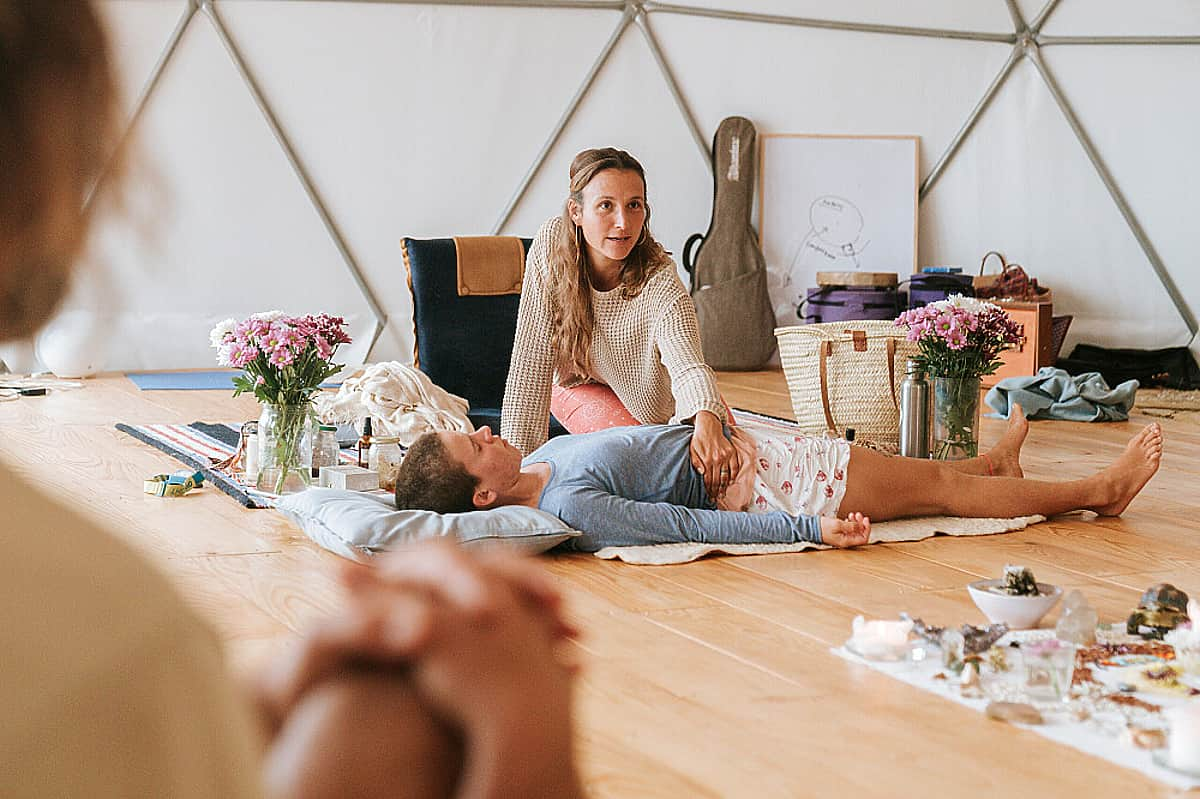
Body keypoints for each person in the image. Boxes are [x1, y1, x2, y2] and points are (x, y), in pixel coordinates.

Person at [0, 4, 582, 798]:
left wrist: (259, 697)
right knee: (381, 732)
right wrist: (527, 730)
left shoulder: (116, 649)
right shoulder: (109, 641)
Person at [394, 407, 1163, 552]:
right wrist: (804, 527)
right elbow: (689, 527)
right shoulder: (571, 504)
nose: (489, 431)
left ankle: (989, 466)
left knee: (933, 479)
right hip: (779, 489)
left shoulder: (546, 463)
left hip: (759, 448)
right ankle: (1097, 491)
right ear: (483, 494)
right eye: (476, 444)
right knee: (942, 495)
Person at [501, 147, 740, 501]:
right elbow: (530, 362)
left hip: (650, 399)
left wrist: (706, 417)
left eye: (634, 205)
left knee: (735, 455)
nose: (623, 223)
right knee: (645, 475)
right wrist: (515, 478)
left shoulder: (659, 280)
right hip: (576, 382)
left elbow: (689, 365)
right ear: (576, 212)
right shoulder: (551, 245)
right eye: (606, 205)